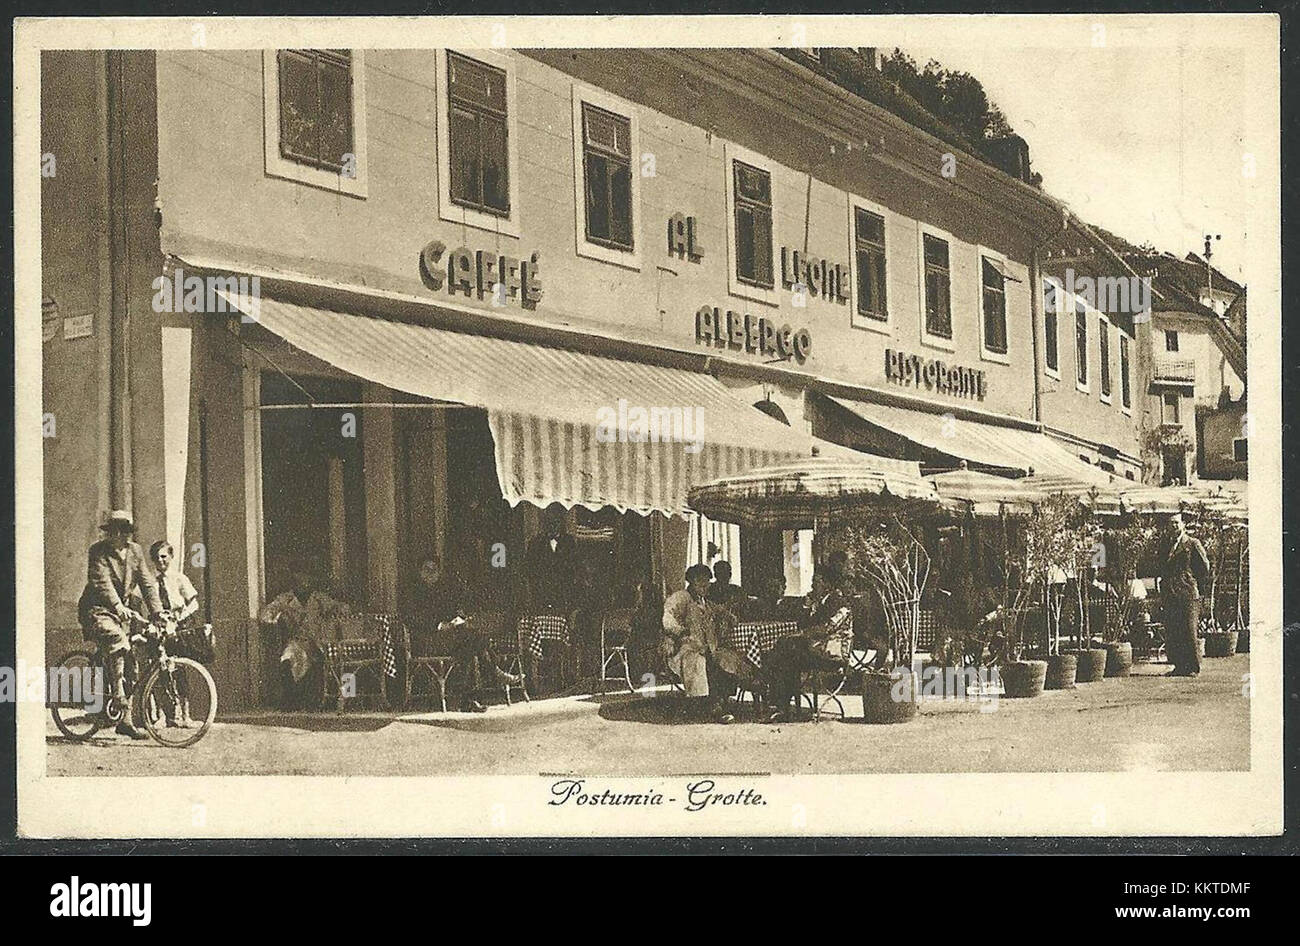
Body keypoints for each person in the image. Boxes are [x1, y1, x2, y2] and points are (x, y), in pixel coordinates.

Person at [77, 510, 167, 739]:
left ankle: (125, 721)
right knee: (117, 639)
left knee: (132, 658)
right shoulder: (98, 551)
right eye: (118, 531)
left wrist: (158, 613)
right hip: (97, 611)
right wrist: (118, 607)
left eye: (126, 531)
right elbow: (101, 583)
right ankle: (117, 696)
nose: (122, 535)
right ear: (111, 532)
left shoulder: (135, 552)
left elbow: (147, 584)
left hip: (122, 613)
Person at [407, 556, 521, 713]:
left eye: (435, 570)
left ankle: (470, 699)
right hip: (425, 642)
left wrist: (457, 618)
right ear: (420, 572)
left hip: (447, 640)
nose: (431, 573)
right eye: (427, 569)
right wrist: (440, 626)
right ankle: (493, 672)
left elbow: (450, 611)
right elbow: (413, 619)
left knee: (468, 646)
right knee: (471, 640)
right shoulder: (413, 592)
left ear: (439, 572)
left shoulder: (442, 590)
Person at [762, 559, 854, 723]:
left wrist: (801, 634)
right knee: (786, 655)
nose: (812, 586)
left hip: (832, 654)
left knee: (786, 651)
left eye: (816, 582)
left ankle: (777, 701)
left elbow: (826, 628)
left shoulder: (840, 603)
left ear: (827, 584)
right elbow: (803, 624)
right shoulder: (820, 603)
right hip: (817, 650)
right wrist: (806, 608)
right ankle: (781, 704)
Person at [259, 564, 352, 709]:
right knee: (288, 658)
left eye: (305, 578)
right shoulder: (286, 599)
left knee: (341, 662)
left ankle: (343, 700)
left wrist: (337, 611)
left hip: (318, 642)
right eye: (298, 578)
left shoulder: (319, 599)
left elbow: (342, 608)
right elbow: (267, 612)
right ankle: (292, 700)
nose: (302, 582)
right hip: (297, 641)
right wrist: (273, 617)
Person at [661, 564, 736, 723]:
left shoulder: (704, 601)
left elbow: (718, 610)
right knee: (704, 663)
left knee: (726, 659)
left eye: (707, 581)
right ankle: (715, 707)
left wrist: (728, 616)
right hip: (684, 649)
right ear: (691, 581)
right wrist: (680, 631)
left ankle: (721, 701)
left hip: (704, 648)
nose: (705, 585)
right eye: (700, 581)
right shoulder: (681, 597)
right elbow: (667, 617)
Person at [146, 540, 207, 728]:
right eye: (156, 558)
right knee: (160, 672)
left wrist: (179, 618)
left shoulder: (179, 578)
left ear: (171, 557)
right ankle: (164, 716)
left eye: (164, 556)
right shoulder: (151, 582)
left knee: (180, 672)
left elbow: (194, 603)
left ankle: (185, 716)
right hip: (159, 630)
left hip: (178, 629)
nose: (160, 560)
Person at [1158, 513, 1210, 677]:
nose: (1173, 526)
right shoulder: (1166, 544)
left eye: (1176, 523)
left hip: (1188, 592)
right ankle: (1179, 666)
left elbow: (1204, 567)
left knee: (1189, 629)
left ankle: (1193, 667)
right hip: (1170, 593)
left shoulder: (1192, 543)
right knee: (1174, 630)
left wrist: (1190, 579)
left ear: (1183, 524)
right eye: (1170, 523)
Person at [524, 504, 577, 611]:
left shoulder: (569, 542)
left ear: (562, 522)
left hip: (563, 596)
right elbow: (528, 570)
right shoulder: (535, 543)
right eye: (550, 521)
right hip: (541, 595)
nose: (553, 525)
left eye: (557, 520)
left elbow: (574, 567)